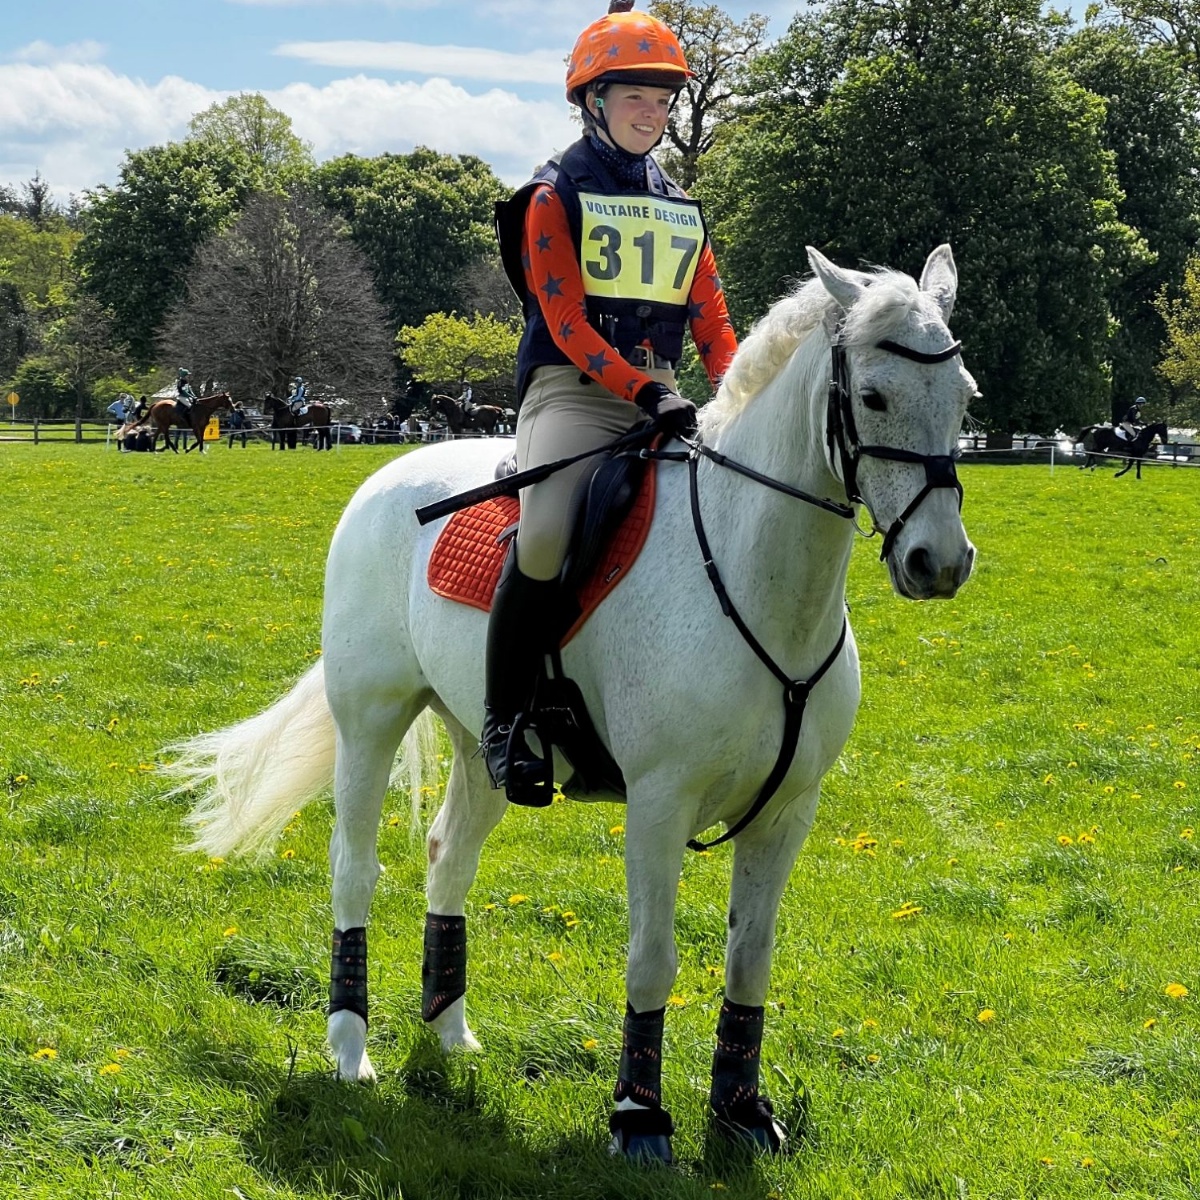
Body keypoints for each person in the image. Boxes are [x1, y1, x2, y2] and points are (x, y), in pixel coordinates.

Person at [485, 0, 738, 804]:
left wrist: (740, 396)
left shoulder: (680, 205)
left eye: (662, 101)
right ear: (593, 101)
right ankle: (505, 719)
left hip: (663, 400)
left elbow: (712, 321)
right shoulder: (550, 195)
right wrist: (646, 389)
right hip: (574, 394)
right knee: (546, 534)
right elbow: (565, 323)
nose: (651, 114)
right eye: (635, 97)